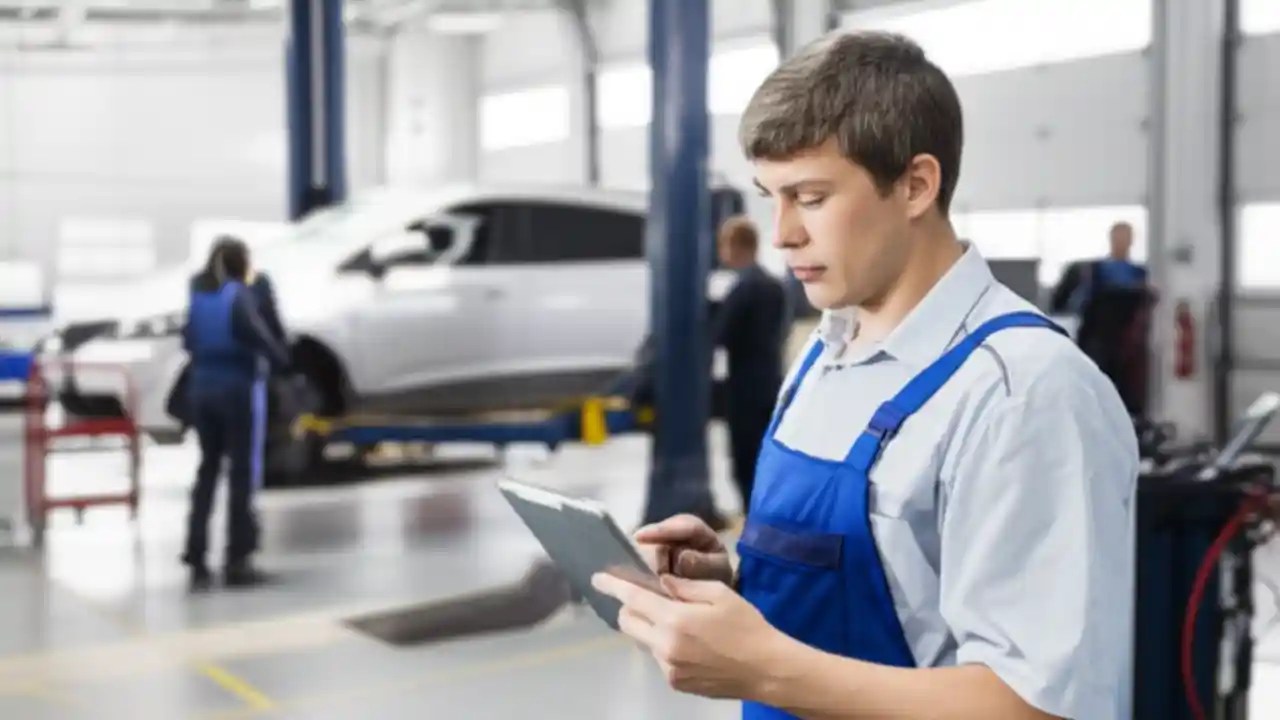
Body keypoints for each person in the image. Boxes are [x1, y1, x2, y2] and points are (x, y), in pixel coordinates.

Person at [591, 31, 1138, 720]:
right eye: (771, 197)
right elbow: (898, 596)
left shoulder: (1023, 393)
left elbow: (1038, 708)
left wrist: (763, 667)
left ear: (915, 185)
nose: (782, 232)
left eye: (810, 197)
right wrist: (739, 581)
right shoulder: (825, 352)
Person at [181, 238, 291, 590]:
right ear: (242, 263)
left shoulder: (198, 296)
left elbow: (188, 341)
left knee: (207, 470)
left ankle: (196, 556)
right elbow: (264, 340)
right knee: (241, 473)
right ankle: (237, 559)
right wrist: (280, 356)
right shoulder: (238, 296)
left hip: (201, 390)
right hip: (237, 390)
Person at [713, 216, 787, 512]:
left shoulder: (741, 289)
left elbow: (721, 334)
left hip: (743, 385)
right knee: (766, 455)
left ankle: (752, 513)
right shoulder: (776, 286)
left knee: (744, 457)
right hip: (771, 380)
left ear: (735, 247)